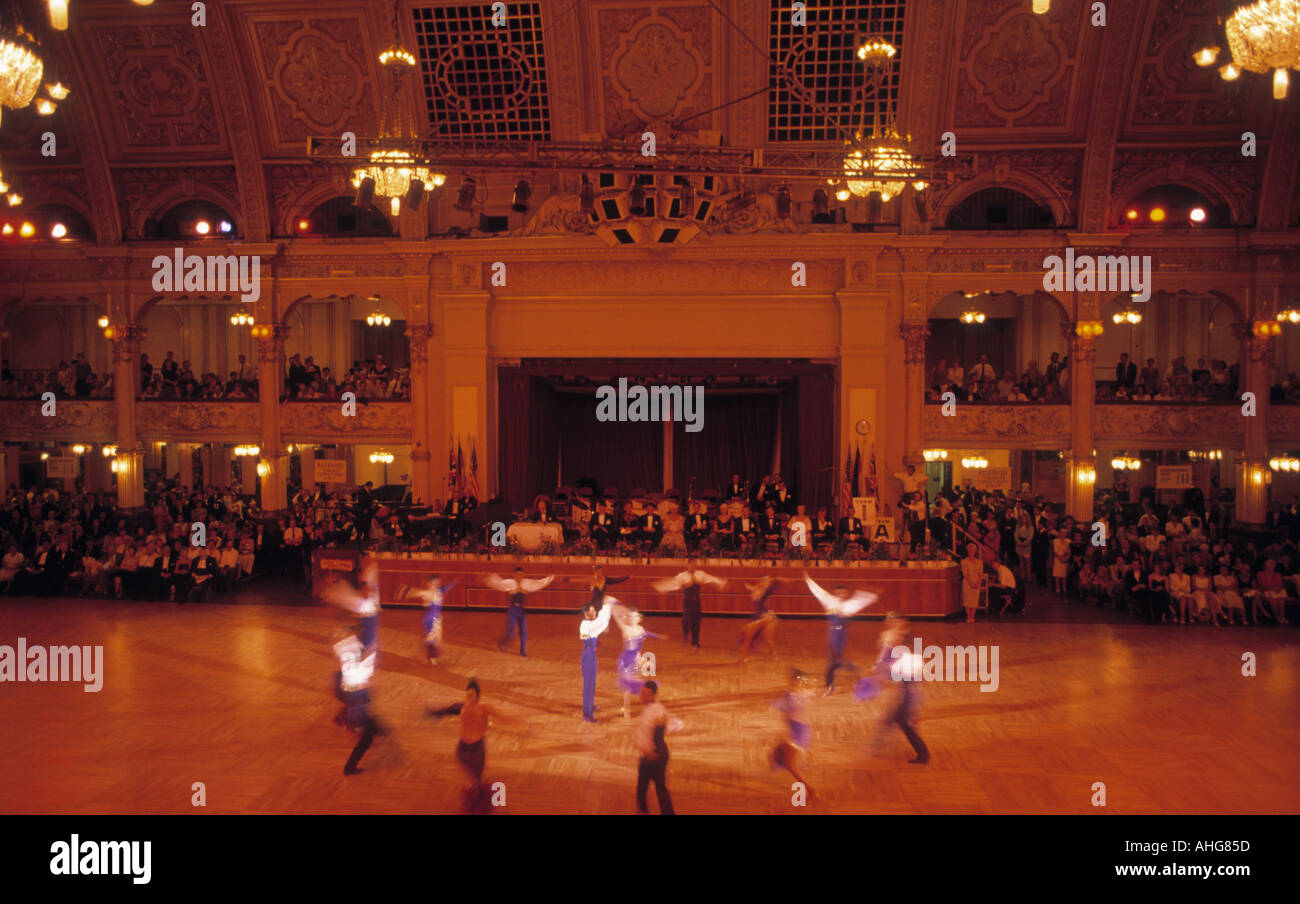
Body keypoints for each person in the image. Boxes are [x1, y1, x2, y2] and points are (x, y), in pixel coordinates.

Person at [427, 679, 525, 813]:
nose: (469, 697)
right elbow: (443, 711)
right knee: (471, 780)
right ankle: (474, 803)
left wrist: (521, 725)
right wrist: (431, 713)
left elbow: (504, 718)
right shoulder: (460, 708)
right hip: (463, 750)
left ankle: (477, 805)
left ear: (478, 696)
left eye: (472, 695)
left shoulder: (485, 708)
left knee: (475, 781)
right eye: (468, 695)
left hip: (477, 751)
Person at [860, 616, 930, 764]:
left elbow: (895, 676)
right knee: (893, 720)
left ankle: (923, 754)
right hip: (907, 695)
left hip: (907, 697)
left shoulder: (905, 659)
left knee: (902, 723)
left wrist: (878, 681)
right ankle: (875, 746)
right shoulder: (906, 656)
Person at [802, 571, 877, 696]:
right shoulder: (830, 601)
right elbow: (818, 591)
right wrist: (808, 580)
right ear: (836, 593)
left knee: (834, 663)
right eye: (840, 592)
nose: (842, 594)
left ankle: (834, 682)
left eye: (844, 592)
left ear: (847, 594)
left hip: (841, 637)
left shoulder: (850, 605)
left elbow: (863, 600)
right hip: (832, 636)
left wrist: (873, 595)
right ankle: (833, 683)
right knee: (833, 662)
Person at [334, 633, 385, 776]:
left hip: (359, 710)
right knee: (365, 741)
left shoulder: (349, 675)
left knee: (373, 727)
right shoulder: (350, 677)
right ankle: (349, 768)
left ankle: (380, 730)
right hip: (358, 713)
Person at [653, 559, 726, 651]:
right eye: (691, 564)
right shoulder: (682, 576)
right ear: (687, 565)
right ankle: (685, 633)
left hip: (697, 601)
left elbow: (711, 579)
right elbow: (672, 582)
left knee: (696, 622)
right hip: (687, 602)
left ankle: (695, 642)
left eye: (695, 564)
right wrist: (661, 587)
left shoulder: (701, 574)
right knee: (687, 620)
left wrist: (721, 583)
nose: (693, 566)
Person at [633, 681, 680, 815]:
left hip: (651, 754)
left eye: (645, 694)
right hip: (663, 752)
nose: (642, 696)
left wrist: (648, 752)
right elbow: (674, 725)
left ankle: (643, 811)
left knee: (642, 788)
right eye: (642, 693)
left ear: (652, 695)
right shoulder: (660, 707)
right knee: (660, 787)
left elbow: (645, 735)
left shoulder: (649, 713)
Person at [487, 568, 555, 657]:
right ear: (514, 575)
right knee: (511, 632)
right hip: (512, 611)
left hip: (521, 611)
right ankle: (502, 643)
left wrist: (551, 578)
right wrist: (490, 577)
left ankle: (523, 651)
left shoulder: (526, 583)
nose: (520, 576)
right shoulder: (510, 583)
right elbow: (498, 583)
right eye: (518, 575)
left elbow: (539, 583)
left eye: (522, 575)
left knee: (524, 631)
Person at [770, 669, 816, 799]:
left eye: (794, 680)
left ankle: (811, 790)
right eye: (792, 680)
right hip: (801, 730)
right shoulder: (801, 694)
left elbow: (779, 704)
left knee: (790, 765)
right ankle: (797, 763)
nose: (792, 682)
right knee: (779, 755)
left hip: (797, 732)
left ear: (798, 682)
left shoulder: (791, 696)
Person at [614, 604, 665, 718]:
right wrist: (612, 605)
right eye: (630, 617)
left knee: (638, 683)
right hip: (627, 660)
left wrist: (660, 637)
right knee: (627, 686)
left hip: (637, 658)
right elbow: (617, 617)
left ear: (638, 618)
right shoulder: (626, 628)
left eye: (635, 616)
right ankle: (626, 709)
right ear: (628, 618)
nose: (633, 619)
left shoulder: (640, 629)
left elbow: (648, 634)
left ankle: (646, 705)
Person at [579, 597, 616, 722]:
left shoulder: (589, 624)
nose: (594, 612)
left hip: (591, 655)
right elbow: (601, 622)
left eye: (595, 610)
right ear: (586, 613)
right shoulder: (587, 625)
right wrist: (607, 606)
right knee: (588, 685)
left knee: (592, 683)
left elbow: (601, 624)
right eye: (592, 610)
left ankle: (590, 706)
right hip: (588, 656)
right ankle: (587, 714)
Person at [412, 576, 457, 664]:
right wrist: (408, 592)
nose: (437, 584)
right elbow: (419, 593)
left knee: (437, 638)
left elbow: (446, 588)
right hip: (430, 618)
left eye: (437, 582)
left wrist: (455, 581)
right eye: (435, 582)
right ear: (430, 583)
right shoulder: (427, 592)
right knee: (433, 638)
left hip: (435, 617)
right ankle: (431, 656)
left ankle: (431, 654)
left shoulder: (438, 590)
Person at [738, 575, 779, 662]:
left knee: (768, 639)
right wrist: (750, 587)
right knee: (747, 635)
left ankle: (774, 653)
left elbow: (767, 591)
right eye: (764, 580)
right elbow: (753, 592)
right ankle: (744, 657)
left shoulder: (767, 591)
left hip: (766, 617)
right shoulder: (756, 589)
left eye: (767, 581)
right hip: (757, 617)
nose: (765, 582)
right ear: (760, 581)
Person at [961, 543, 984, 623]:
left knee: (974, 601)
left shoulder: (980, 562)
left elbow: (981, 574)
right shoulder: (964, 561)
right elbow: (965, 574)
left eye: (973, 551)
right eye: (970, 551)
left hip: (977, 582)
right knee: (967, 601)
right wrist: (971, 583)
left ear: (975, 552)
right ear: (968, 551)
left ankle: (973, 616)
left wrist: (978, 583)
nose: (971, 552)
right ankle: (968, 616)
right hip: (967, 583)